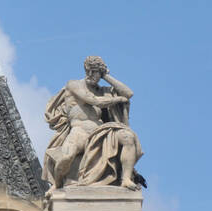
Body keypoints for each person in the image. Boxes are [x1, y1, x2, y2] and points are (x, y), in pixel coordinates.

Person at [42, 55, 144, 191]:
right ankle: (57, 184)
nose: (90, 74)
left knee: (128, 137)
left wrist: (107, 76)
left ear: (100, 73)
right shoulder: (74, 84)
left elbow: (128, 93)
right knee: (66, 157)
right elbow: (94, 101)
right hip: (79, 131)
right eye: (88, 70)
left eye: (94, 72)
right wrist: (118, 99)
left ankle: (125, 179)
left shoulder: (102, 91)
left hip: (99, 132)